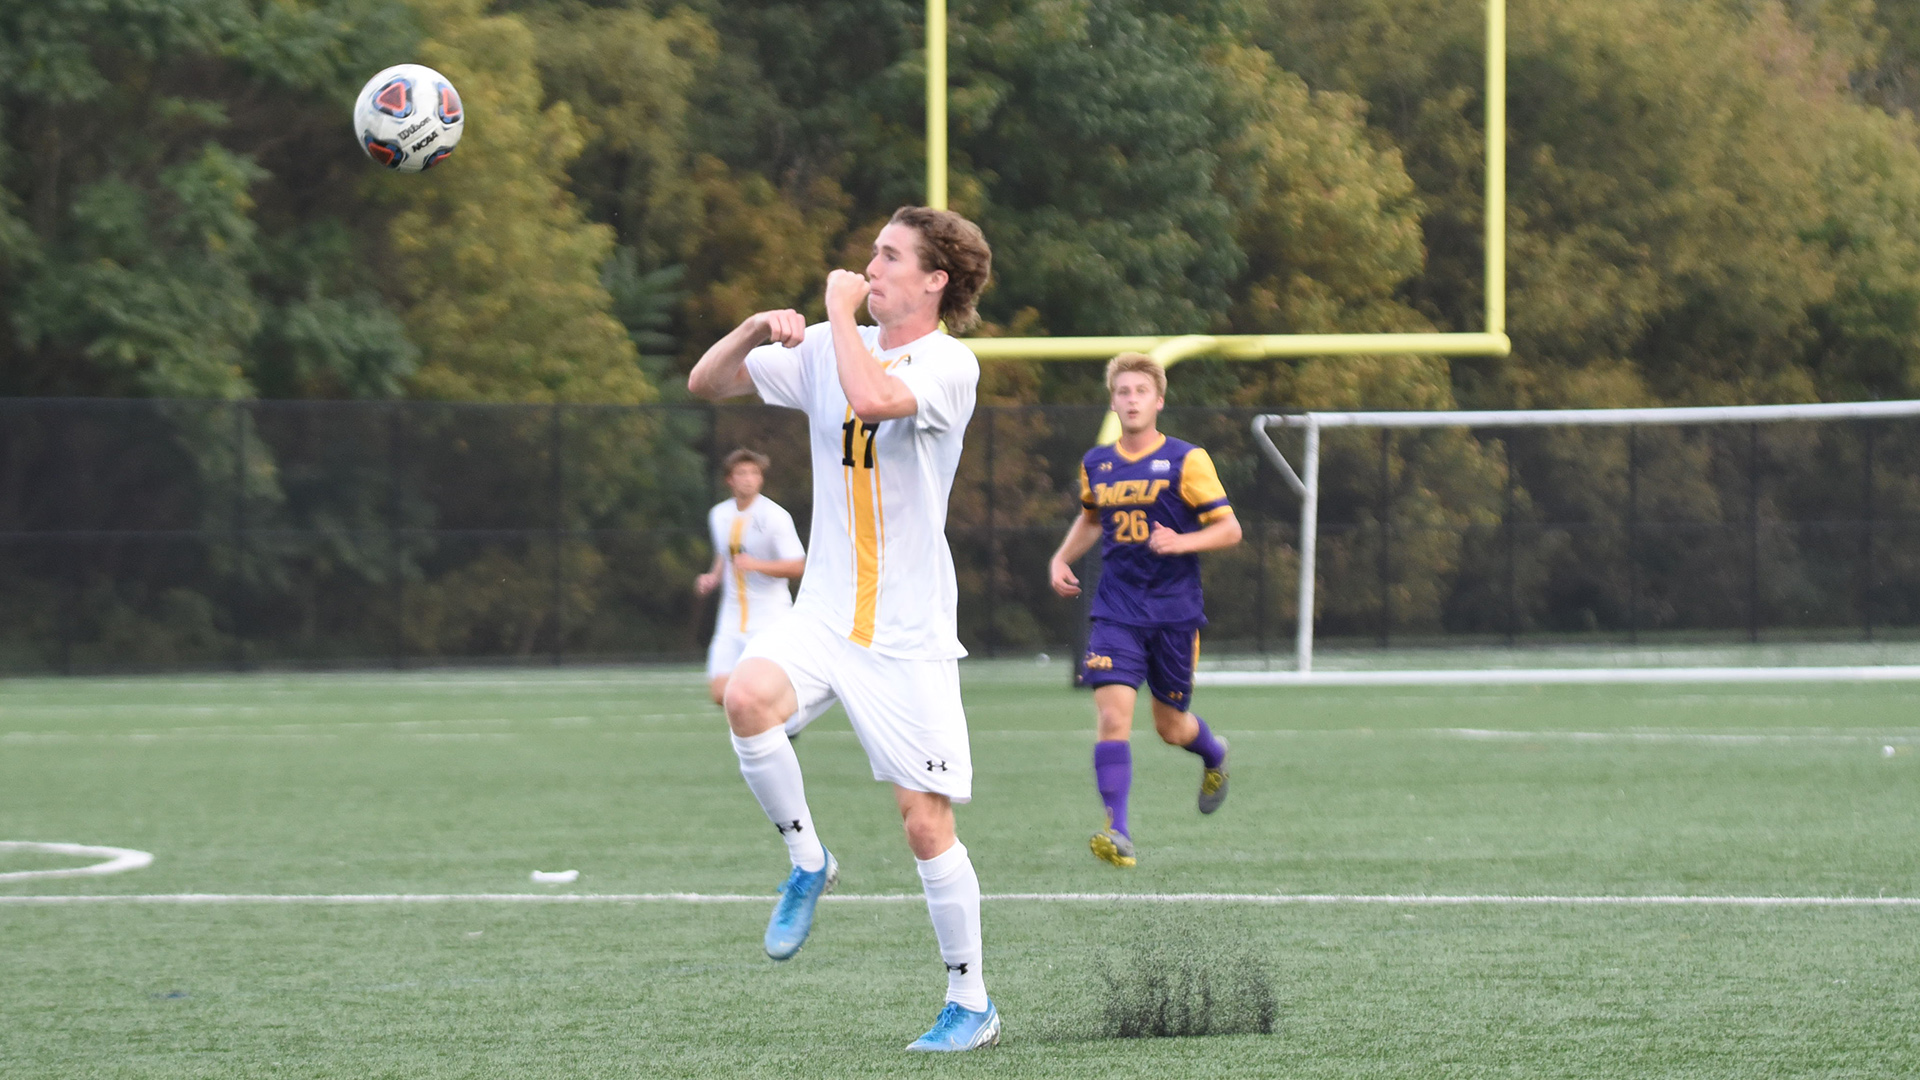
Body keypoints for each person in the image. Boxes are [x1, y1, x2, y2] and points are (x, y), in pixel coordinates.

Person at [686, 206, 999, 1052]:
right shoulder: (829, 346)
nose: (870, 267)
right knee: (747, 698)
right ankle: (807, 860)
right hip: (824, 614)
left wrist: (830, 310)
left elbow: (871, 397)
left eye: (890, 257)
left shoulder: (947, 365)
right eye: (872, 254)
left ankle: (971, 1001)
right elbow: (706, 384)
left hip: (906, 633)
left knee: (923, 821)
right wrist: (757, 324)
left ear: (935, 280)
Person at [1047, 352, 1243, 869]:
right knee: (1112, 716)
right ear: (1113, 401)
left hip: (1174, 613)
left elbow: (1230, 529)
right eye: (1123, 392)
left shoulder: (1186, 459)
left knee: (1170, 727)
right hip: (1116, 610)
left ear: (1158, 400)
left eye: (1140, 391)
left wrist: (1181, 542)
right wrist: (1062, 558)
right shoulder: (1097, 463)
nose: (1131, 400)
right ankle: (1119, 830)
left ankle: (1213, 754)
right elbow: (1092, 519)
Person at [695, 448, 806, 708]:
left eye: (754, 473)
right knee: (721, 693)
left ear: (761, 479)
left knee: (757, 691)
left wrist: (757, 565)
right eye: (741, 473)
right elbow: (725, 553)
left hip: (769, 616)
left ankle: (784, 725)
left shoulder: (775, 517)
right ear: (729, 480)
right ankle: (778, 723)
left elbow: (798, 566)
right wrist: (712, 577)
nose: (748, 479)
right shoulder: (719, 514)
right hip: (730, 618)